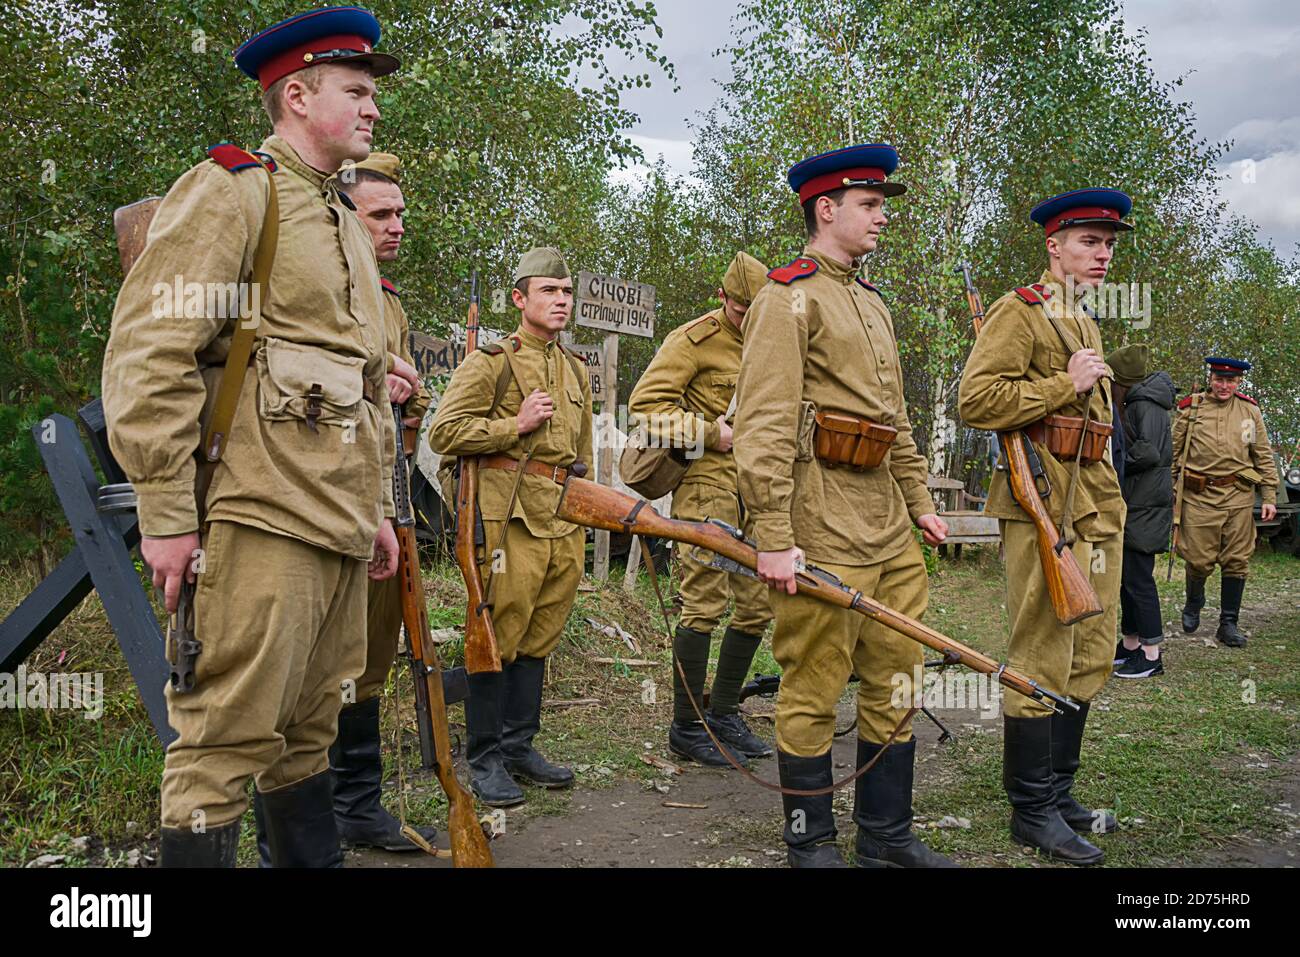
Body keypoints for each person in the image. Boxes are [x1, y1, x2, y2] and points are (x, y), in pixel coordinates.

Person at [102, 6, 401, 867]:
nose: (372, 107)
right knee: (221, 744)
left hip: (338, 526)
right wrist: (165, 511)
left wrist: (376, 510)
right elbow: (149, 350)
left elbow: (368, 385)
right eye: (356, 90)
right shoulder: (234, 191)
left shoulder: (345, 219)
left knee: (309, 734)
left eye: (372, 92)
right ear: (297, 95)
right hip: (256, 515)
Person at [734, 144, 954, 868]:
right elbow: (764, 426)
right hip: (820, 523)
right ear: (825, 209)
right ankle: (812, 842)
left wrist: (920, 501)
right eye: (870, 204)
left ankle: (887, 836)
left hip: (889, 527)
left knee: (898, 675)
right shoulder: (784, 296)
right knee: (813, 684)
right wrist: (771, 534)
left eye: (882, 204)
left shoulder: (869, 301)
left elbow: (896, 421)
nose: (883, 216)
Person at [958, 188, 1132, 865]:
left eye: (1109, 244)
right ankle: (1030, 809)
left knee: (1090, 645)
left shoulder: (1083, 321)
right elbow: (977, 400)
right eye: (1090, 241)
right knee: (1042, 648)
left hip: (1091, 497)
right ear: (1054, 247)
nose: (1103, 253)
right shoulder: (1020, 313)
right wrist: (1063, 384)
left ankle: (1059, 794)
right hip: (1042, 499)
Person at [428, 247, 593, 807]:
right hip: (507, 516)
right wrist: (513, 425)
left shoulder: (574, 370)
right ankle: (485, 756)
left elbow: (582, 455)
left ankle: (520, 747)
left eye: (567, 292)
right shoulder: (492, 362)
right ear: (520, 299)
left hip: (560, 518)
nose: (561, 301)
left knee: (541, 632)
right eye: (549, 291)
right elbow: (444, 433)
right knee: (498, 630)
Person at [627, 251, 774, 768]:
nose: (744, 319)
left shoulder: (773, 340)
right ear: (722, 299)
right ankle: (686, 726)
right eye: (738, 310)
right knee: (704, 603)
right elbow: (644, 410)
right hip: (707, 484)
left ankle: (726, 713)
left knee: (757, 604)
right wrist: (713, 432)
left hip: (758, 487)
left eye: (753, 310)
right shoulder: (693, 342)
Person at [1172, 357, 1279, 647]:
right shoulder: (1191, 408)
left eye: (1230, 381)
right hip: (1199, 497)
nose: (1224, 385)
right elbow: (1174, 452)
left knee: (1237, 560)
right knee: (1197, 560)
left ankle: (1228, 623)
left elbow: (1263, 454)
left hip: (1238, 496)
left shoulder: (1249, 410)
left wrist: (1269, 496)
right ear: (1211, 378)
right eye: (1219, 379)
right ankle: (1194, 602)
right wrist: (1171, 492)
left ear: (1238, 382)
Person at [1107, 344, 1173, 679]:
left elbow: (1147, 452)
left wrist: (1114, 463)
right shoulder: (1141, 401)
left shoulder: (1145, 403)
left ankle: (1151, 655)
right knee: (1127, 578)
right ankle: (1131, 644)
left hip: (1145, 503)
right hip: (1139, 501)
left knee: (1139, 580)